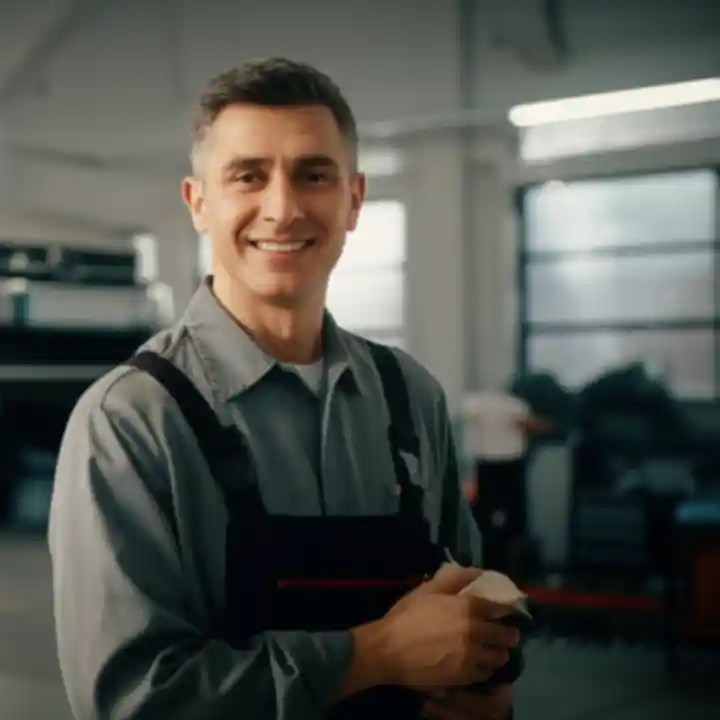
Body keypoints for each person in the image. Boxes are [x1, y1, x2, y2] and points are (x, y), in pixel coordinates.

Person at [48, 58, 521, 719]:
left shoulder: (412, 398)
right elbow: (132, 702)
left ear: (353, 200)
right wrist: (372, 655)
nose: (283, 207)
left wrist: (485, 688)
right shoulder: (131, 421)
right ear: (199, 203)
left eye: (313, 175)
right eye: (248, 176)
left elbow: (471, 614)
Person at [462, 389, 553, 573]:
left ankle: (487, 564)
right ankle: (506, 566)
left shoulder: (475, 403)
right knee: (512, 518)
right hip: (507, 466)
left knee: (485, 516)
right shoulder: (515, 406)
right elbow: (530, 425)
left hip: (485, 464)